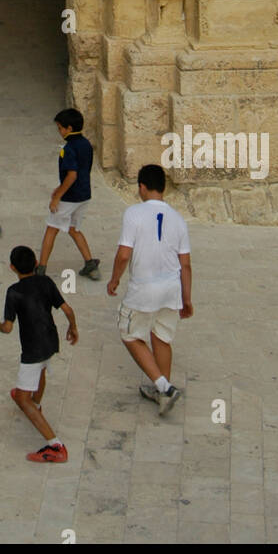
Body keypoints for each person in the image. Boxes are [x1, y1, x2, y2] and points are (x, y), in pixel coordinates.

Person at [107, 163, 193, 417]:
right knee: (161, 337)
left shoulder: (133, 213)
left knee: (129, 334)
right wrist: (186, 299)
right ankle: (161, 391)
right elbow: (185, 264)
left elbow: (124, 255)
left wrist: (114, 280)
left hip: (144, 289)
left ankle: (164, 387)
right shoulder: (178, 219)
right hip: (171, 289)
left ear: (142, 187)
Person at [0, 245, 78, 463]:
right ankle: (37, 404)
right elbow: (67, 309)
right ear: (36, 264)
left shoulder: (14, 292)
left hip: (32, 348)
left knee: (21, 399)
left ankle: (55, 445)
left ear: (12, 267)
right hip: (51, 340)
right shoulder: (46, 281)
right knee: (42, 370)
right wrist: (73, 327)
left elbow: (9, 327)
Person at [36, 108, 100, 279]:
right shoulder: (86, 144)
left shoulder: (68, 148)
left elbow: (72, 175)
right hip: (84, 195)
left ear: (69, 128)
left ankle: (41, 268)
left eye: (60, 128)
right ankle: (90, 264)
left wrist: (57, 197)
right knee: (73, 228)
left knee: (51, 228)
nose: (59, 131)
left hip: (70, 197)